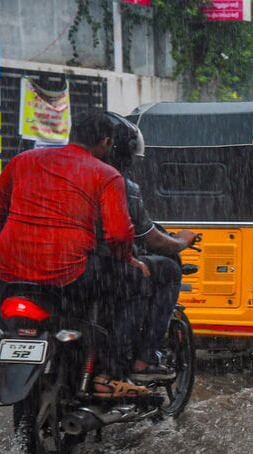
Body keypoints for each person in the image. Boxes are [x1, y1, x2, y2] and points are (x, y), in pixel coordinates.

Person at [0, 111, 149, 397]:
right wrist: (129, 259)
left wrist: (10, 247)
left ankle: (5, 361)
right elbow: (119, 235)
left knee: (5, 291)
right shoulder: (107, 174)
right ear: (106, 142)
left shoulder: (24, 161)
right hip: (70, 272)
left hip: (12, 267)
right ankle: (110, 372)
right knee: (135, 282)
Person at [104, 112, 197, 381]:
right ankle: (144, 359)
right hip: (102, 267)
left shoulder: (52, 170)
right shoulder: (118, 183)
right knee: (167, 270)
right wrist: (180, 242)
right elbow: (146, 237)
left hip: (52, 268)